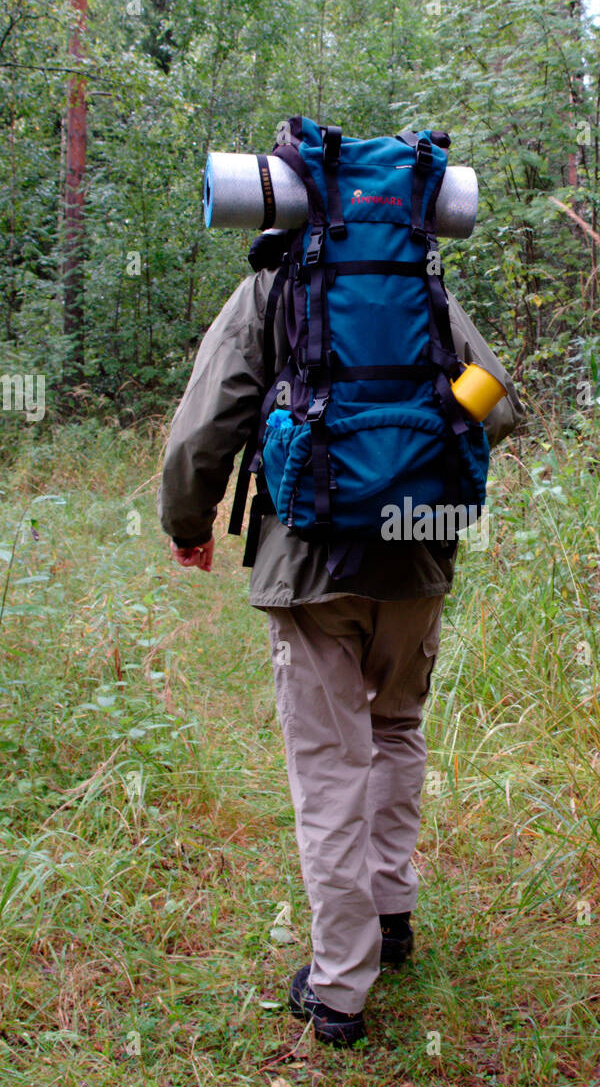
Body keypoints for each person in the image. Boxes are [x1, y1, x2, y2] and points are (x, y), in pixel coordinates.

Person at [158, 259, 522, 1046]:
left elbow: (208, 420)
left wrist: (189, 522)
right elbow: (499, 404)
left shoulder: (271, 288)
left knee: (330, 766)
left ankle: (339, 990)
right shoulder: (414, 282)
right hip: (418, 551)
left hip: (310, 560)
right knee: (394, 729)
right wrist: (412, 447)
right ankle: (392, 918)